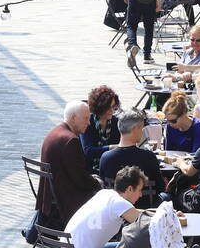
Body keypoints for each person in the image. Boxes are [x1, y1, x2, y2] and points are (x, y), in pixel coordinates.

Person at [60, 165, 145, 248]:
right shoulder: (120, 204)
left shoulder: (106, 193)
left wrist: (165, 212)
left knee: (129, 247)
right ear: (130, 189)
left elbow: (136, 213)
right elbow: (145, 222)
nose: (141, 195)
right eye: (139, 190)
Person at [33, 101, 99, 229]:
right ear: (73, 118)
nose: (89, 123)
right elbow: (80, 179)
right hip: (65, 197)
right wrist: (97, 182)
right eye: (86, 118)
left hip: (50, 194)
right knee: (103, 194)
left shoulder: (55, 131)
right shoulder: (71, 140)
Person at [99, 109, 164, 190]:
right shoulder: (148, 157)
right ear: (135, 129)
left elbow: (104, 187)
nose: (142, 131)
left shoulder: (105, 158)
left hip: (117, 202)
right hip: (146, 202)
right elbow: (160, 187)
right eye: (142, 128)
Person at [79, 85, 121, 170]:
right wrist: (110, 148)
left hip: (109, 166)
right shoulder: (88, 122)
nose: (111, 111)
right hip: (88, 169)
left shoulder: (116, 121)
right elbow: (88, 151)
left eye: (113, 107)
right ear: (99, 107)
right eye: (108, 107)